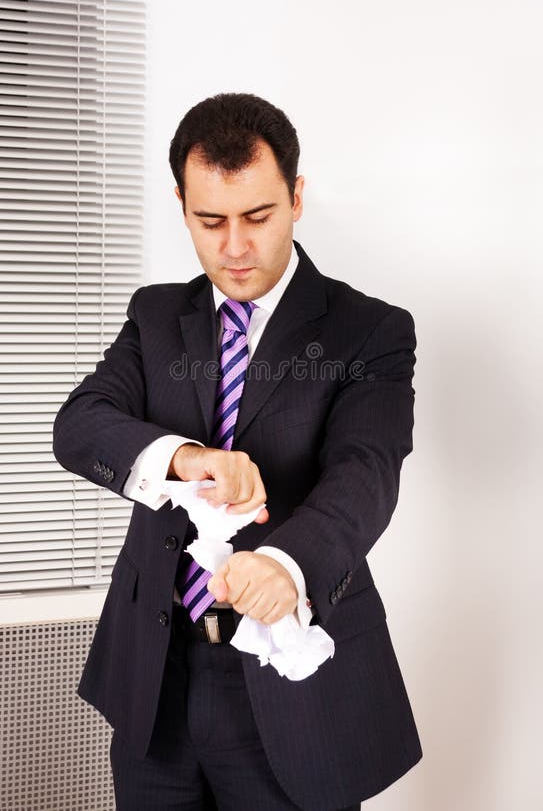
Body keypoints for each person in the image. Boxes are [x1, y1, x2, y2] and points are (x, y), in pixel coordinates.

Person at [53, 92, 423, 810]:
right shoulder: (156, 314)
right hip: (153, 681)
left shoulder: (369, 331)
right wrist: (185, 457)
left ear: (296, 196)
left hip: (288, 693)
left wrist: (286, 564)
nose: (233, 247)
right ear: (181, 204)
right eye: (209, 220)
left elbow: (365, 473)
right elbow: (81, 423)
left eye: (257, 217)